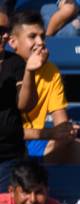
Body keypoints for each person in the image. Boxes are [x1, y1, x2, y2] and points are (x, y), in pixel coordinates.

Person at [11, 12, 80, 164]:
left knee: (79, 149)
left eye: (42, 36)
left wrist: (66, 131)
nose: (40, 42)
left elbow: (60, 120)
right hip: (11, 144)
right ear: (13, 42)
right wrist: (49, 133)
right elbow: (6, 132)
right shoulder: (6, 70)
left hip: (37, 141)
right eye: (32, 36)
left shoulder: (51, 70)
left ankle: (42, 184)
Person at [0, 32, 35, 190]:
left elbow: (25, 105)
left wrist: (30, 72)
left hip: (10, 156)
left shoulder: (15, 62)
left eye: (6, 31)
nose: (5, 36)